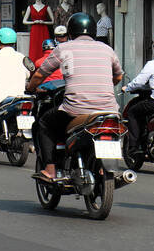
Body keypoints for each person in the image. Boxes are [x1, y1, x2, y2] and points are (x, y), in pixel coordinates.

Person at [26, 12, 123, 183]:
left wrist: (30, 87)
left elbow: (40, 75)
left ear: (70, 32)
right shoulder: (107, 49)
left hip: (75, 110)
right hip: (109, 110)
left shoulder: (64, 48)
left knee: (44, 123)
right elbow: (118, 77)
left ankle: (50, 169)